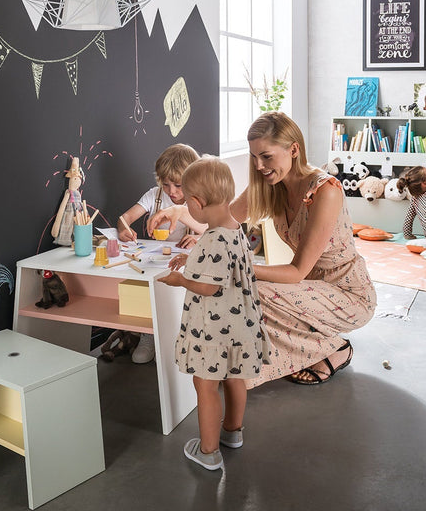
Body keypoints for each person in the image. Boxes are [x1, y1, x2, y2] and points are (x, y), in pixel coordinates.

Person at [151, 112, 376, 387]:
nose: (258, 165)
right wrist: (179, 211)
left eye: (266, 156)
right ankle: (247, 364)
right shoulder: (270, 185)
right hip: (310, 287)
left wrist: (235, 269)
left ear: (294, 150)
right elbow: (224, 219)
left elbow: (296, 272)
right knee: (236, 291)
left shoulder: (325, 190)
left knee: (245, 290)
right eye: (253, 157)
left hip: (347, 293)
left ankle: (333, 347)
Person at [157, 156, 270, 471]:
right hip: (240, 326)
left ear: (195, 202)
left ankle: (207, 451)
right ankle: (232, 433)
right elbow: (224, 268)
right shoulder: (234, 229)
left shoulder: (211, 238)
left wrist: (180, 279)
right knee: (235, 378)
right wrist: (189, 261)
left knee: (205, 385)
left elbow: (207, 288)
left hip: (212, 331)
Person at [115, 143, 205, 363]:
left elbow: (214, 229)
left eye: (178, 185)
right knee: (149, 293)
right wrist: (123, 229)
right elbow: (124, 218)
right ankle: (149, 337)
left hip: (189, 263)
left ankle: (179, 340)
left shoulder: (201, 198)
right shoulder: (155, 196)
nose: (172, 192)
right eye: (166, 185)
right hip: (158, 259)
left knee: (182, 304)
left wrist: (198, 237)